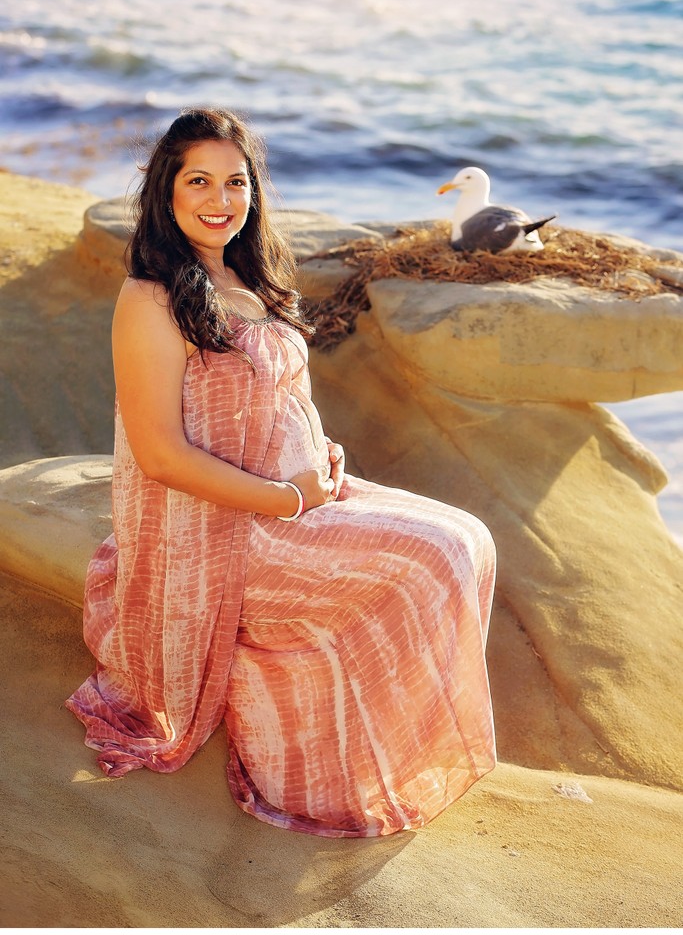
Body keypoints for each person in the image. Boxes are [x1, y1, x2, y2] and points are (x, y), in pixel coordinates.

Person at [66, 107, 497, 838]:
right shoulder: (149, 298)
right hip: (233, 534)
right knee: (437, 554)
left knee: (470, 537)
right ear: (165, 192)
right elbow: (160, 454)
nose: (219, 199)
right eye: (197, 180)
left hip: (300, 497)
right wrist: (287, 495)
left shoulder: (248, 275)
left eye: (235, 182)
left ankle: (387, 746)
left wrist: (321, 454)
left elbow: (285, 395)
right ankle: (334, 774)